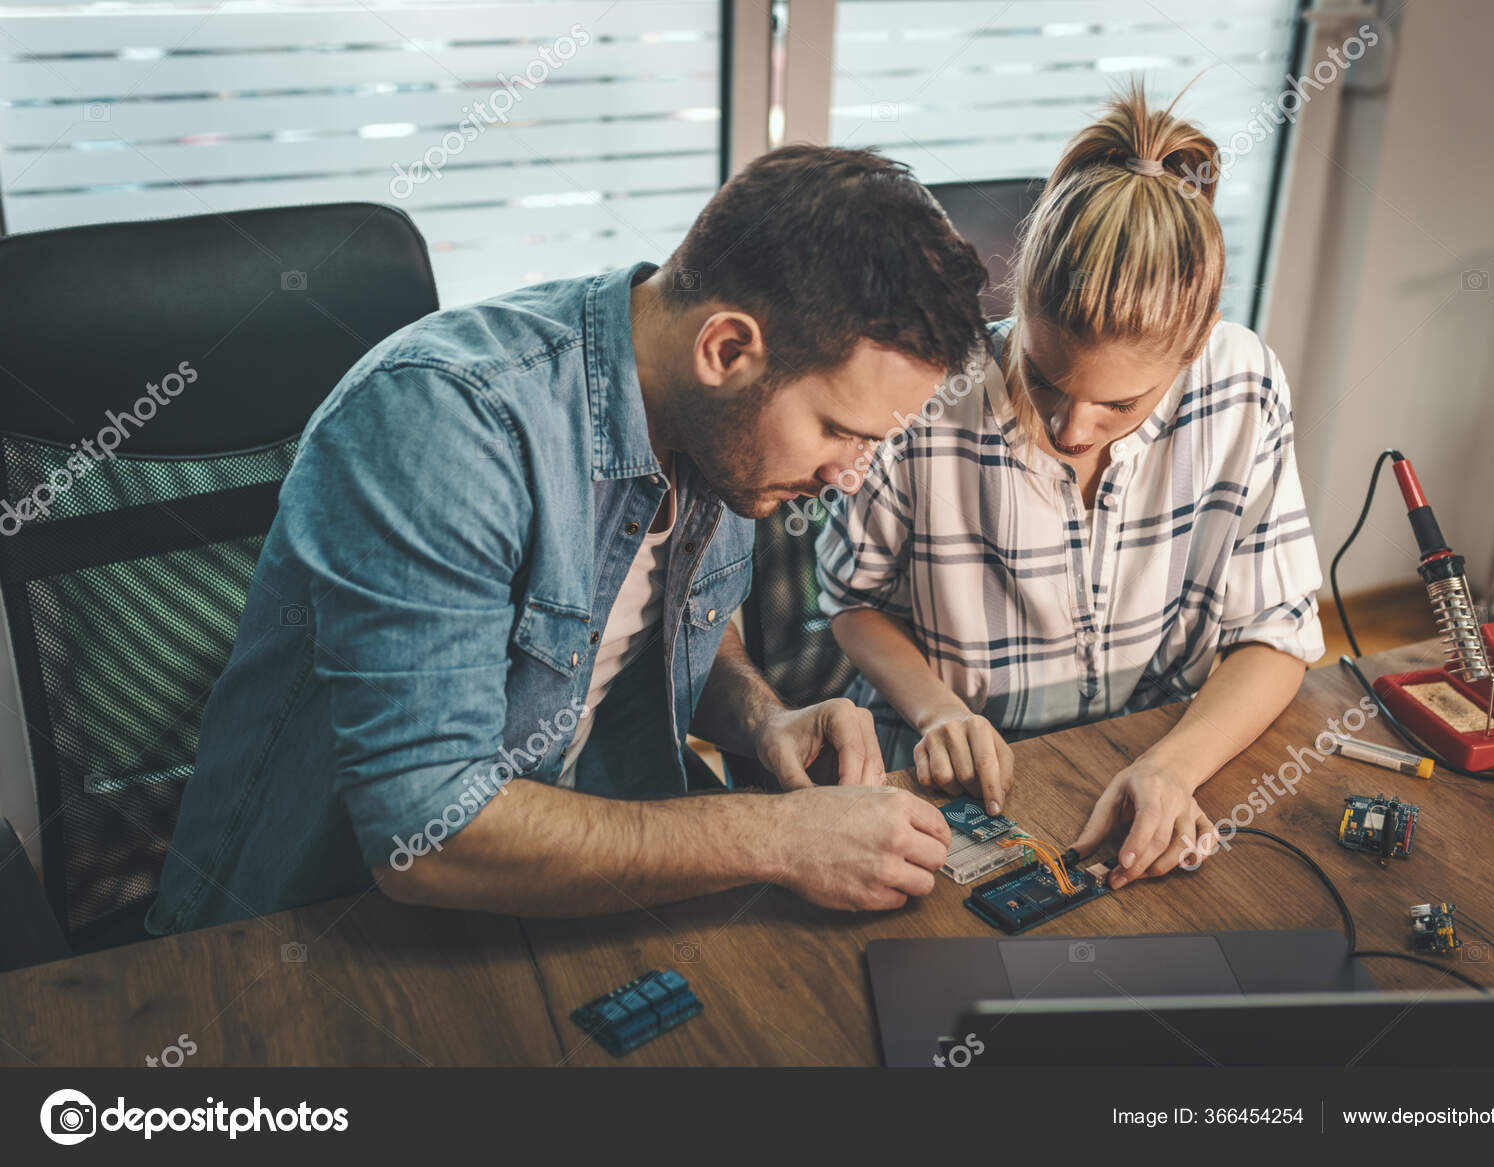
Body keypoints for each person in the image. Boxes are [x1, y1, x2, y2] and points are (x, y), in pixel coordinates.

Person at [149, 145, 989, 934]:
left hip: (578, 901)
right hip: (323, 932)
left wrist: (765, 720)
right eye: (842, 431)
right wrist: (781, 836)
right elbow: (427, 832)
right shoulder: (445, 422)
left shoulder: (722, 429)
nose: (851, 474)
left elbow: (668, 626)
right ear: (725, 347)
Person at [818, 85, 1325, 892]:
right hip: (958, 769)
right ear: (1017, 305)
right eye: (1047, 379)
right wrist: (939, 709)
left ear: (1196, 344)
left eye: (1121, 404)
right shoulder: (930, 393)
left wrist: (1171, 768)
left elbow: (1279, 630)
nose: (1073, 429)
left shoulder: (1243, 382)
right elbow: (853, 603)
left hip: (1152, 746)